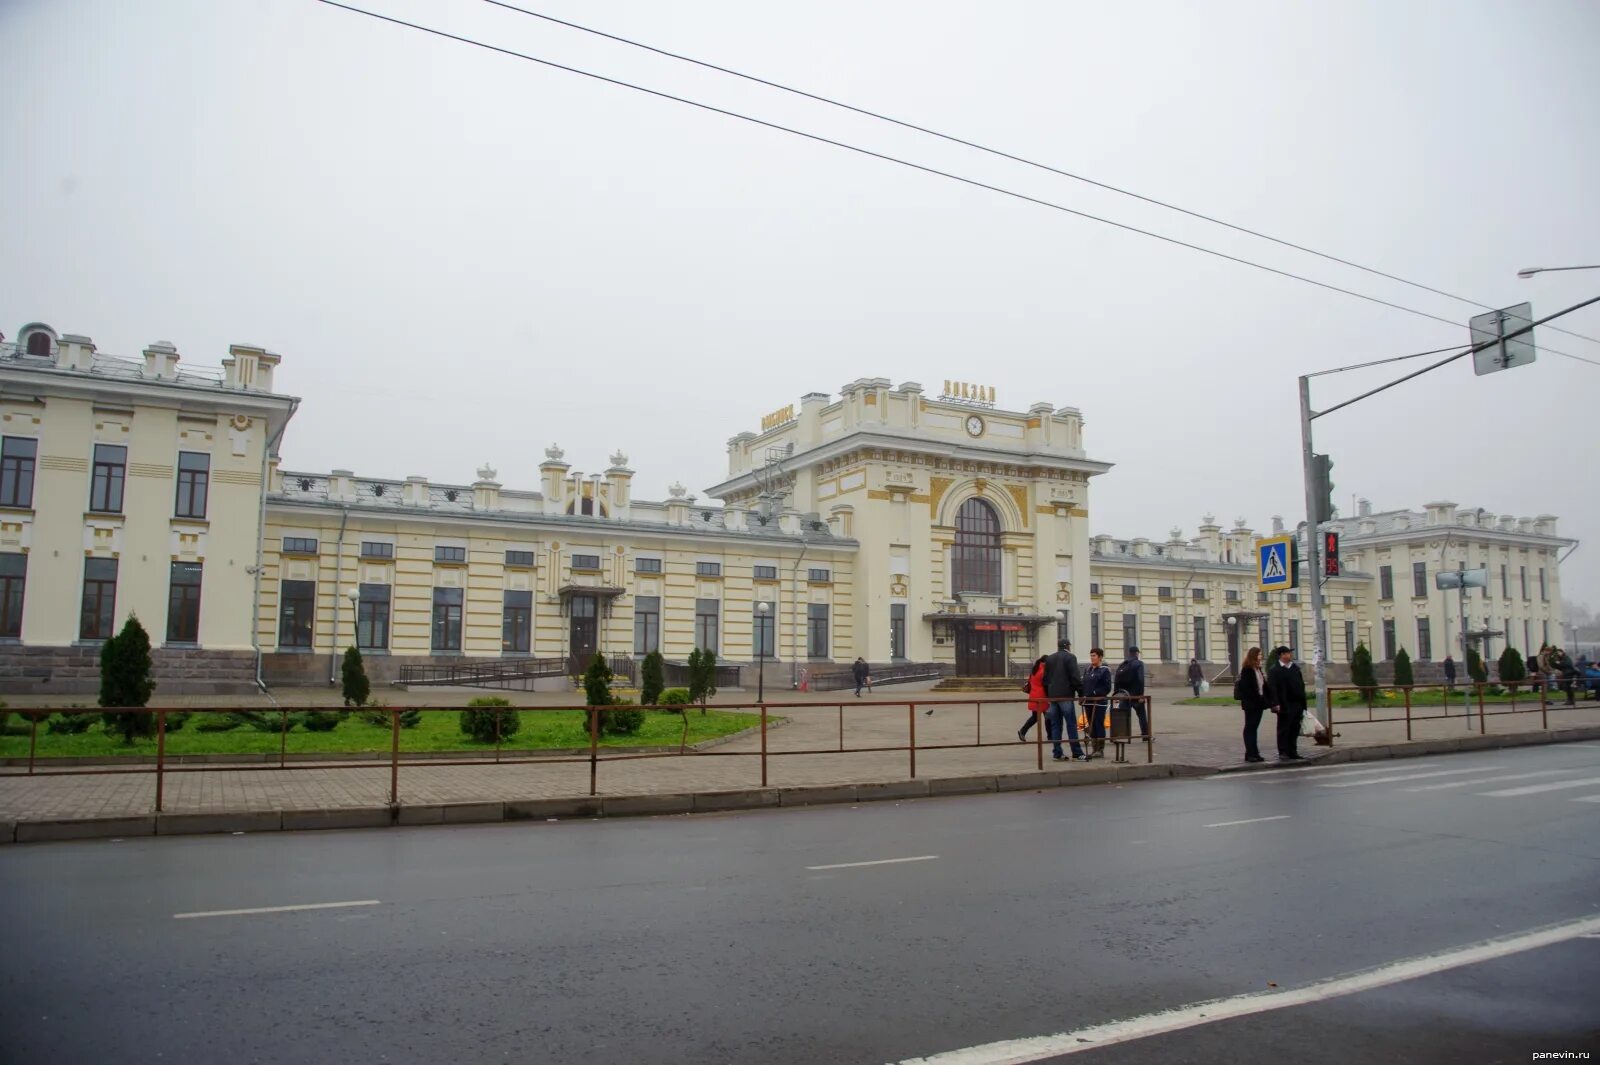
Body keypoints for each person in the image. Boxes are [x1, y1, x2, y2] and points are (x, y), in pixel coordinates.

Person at [1043, 639, 1085, 761]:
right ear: (1067, 646)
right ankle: (1076, 752)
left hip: (1053, 696)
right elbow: (1075, 677)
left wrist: (1049, 695)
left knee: (1055, 725)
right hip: (1066, 695)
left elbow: (1045, 680)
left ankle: (1057, 752)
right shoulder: (1070, 657)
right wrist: (1081, 693)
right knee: (1071, 724)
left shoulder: (1050, 658)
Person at [1267, 645, 1307, 761]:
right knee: (1284, 728)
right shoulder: (1275, 670)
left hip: (1297, 703)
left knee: (1294, 728)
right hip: (1284, 704)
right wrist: (1275, 703)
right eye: (1287, 653)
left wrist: (1303, 703)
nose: (1290, 655)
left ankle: (1293, 751)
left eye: (1290, 653)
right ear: (1281, 655)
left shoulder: (1295, 668)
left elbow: (1301, 685)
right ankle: (1283, 751)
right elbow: (1272, 688)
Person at [1232, 646, 1271, 763]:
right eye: (1259, 655)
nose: (1261, 657)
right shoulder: (1247, 670)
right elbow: (1247, 688)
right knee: (1250, 728)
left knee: (1254, 728)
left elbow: (1263, 686)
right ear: (1254, 656)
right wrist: (1257, 698)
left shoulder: (1258, 669)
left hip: (1258, 704)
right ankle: (1250, 753)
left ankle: (1254, 753)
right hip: (1251, 704)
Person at [1081, 648, 1112, 758]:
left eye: (1094, 655)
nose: (1092, 658)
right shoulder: (1088, 669)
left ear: (1100, 657)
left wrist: (1094, 693)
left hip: (1099, 702)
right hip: (1088, 702)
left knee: (1099, 724)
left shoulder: (1104, 670)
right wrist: (1083, 695)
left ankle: (1100, 749)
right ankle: (1094, 748)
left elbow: (1107, 687)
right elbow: (1084, 684)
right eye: (1091, 655)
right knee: (1091, 725)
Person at [1115, 647, 1150, 739]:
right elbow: (1140, 679)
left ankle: (1120, 734)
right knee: (1141, 715)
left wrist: (1117, 694)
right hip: (1136, 695)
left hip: (1125, 695)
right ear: (1137, 653)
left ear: (1129, 653)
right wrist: (1141, 695)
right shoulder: (1138, 664)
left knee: (1123, 715)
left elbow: (1117, 679)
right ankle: (1145, 735)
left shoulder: (1123, 664)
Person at [1017, 655, 1048, 741]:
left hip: (1033, 696)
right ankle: (1050, 736)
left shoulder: (1035, 670)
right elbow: (1045, 685)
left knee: (1035, 717)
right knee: (1048, 717)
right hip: (1042, 697)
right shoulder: (1044, 671)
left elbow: (1030, 683)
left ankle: (1023, 731)